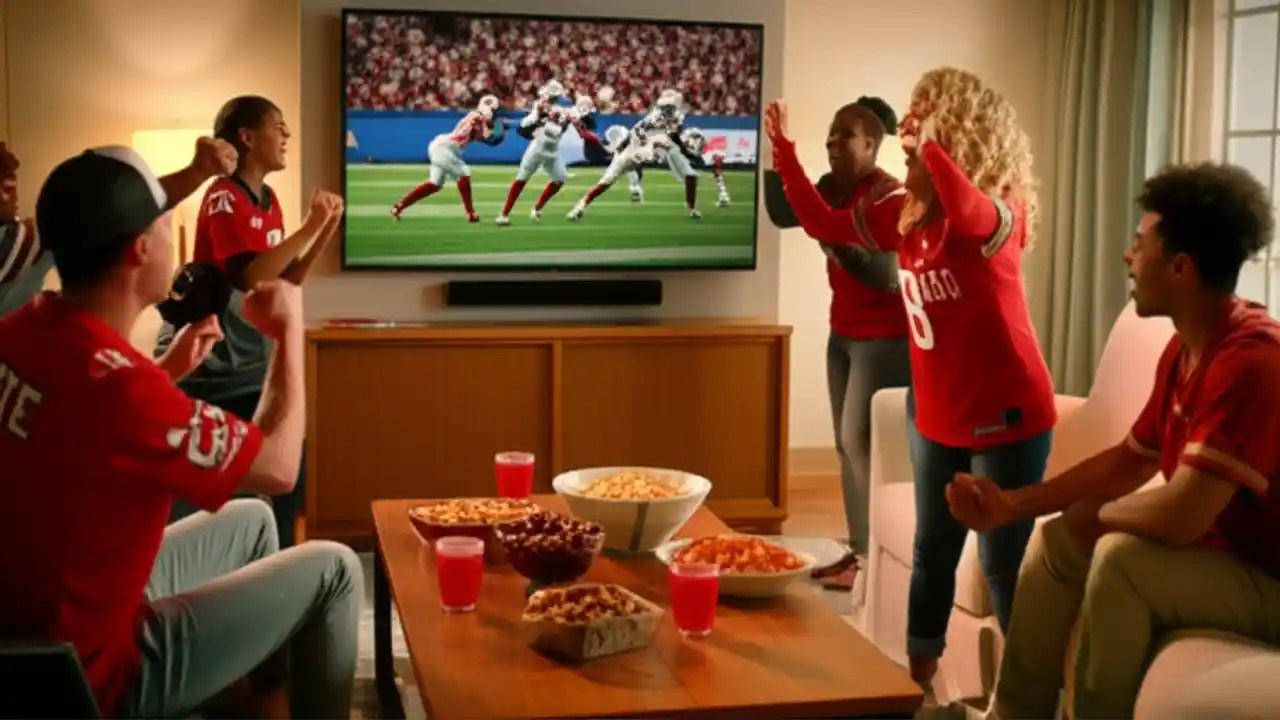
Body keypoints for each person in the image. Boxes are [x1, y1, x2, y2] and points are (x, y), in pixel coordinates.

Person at [0, 146, 360, 718]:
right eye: (167, 220)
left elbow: (81, 427)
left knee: (253, 519)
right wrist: (289, 331)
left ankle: (259, 704)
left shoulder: (23, 328)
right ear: (141, 248)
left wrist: (168, 372)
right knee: (336, 568)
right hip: (92, 674)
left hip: (41, 626)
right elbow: (278, 466)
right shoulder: (123, 388)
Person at [948, 162, 1280, 720]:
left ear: (1181, 267)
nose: (1128, 257)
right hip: (1230, 559)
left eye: (1139, 243)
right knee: (1057, 541)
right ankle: (1011, 713)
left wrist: (1096, 517)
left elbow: (1182, 515)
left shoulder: (1250, 362)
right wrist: (1011, 506)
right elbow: (1128, 462)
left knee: (1120, 559)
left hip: (1269, 578)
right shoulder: (1186, 349)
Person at [767, 66, 1057, 693]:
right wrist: (785, 154)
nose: (907, 149)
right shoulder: (903, 214)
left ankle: (1031, 696)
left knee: (1001, 566)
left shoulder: (1000, 212)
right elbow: (821, 221)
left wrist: (931, 146)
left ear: (953, 145)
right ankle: (918, 689)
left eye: (920, 140)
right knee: (933, 554)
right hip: (936, 411)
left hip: (1007, 412)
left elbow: (970, 214)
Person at [156, 95, 341, 547]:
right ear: (248, 137)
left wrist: (323, 230)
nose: (286, 135)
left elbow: (283, 283)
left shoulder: (268, 200)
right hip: (221, 372)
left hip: (252, 366)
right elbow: (248, 277)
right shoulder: (223, 194)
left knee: (288, 480)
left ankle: (279, 561)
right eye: (278, 126)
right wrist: (308, 225)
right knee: (254, 487)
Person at [762, 97, 911, 592]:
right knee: (847, 448)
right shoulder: (833, 188)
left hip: (884, 339)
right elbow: (783, 211)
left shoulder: (889, 197)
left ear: (871, 144)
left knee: (861, 445)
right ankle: (861, 550)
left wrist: (833, 238)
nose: (833, 142)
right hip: (843, 333)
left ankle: (875, 558)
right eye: (830, 134)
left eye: (845, 135)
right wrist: (772, 150)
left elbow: (886, 275)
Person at [0, 138, 238, 315]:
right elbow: (95, 211)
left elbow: (94, 212)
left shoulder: (32, 326)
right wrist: (197, 172)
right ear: (140, 247)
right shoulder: (14, 245)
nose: (12, 187)